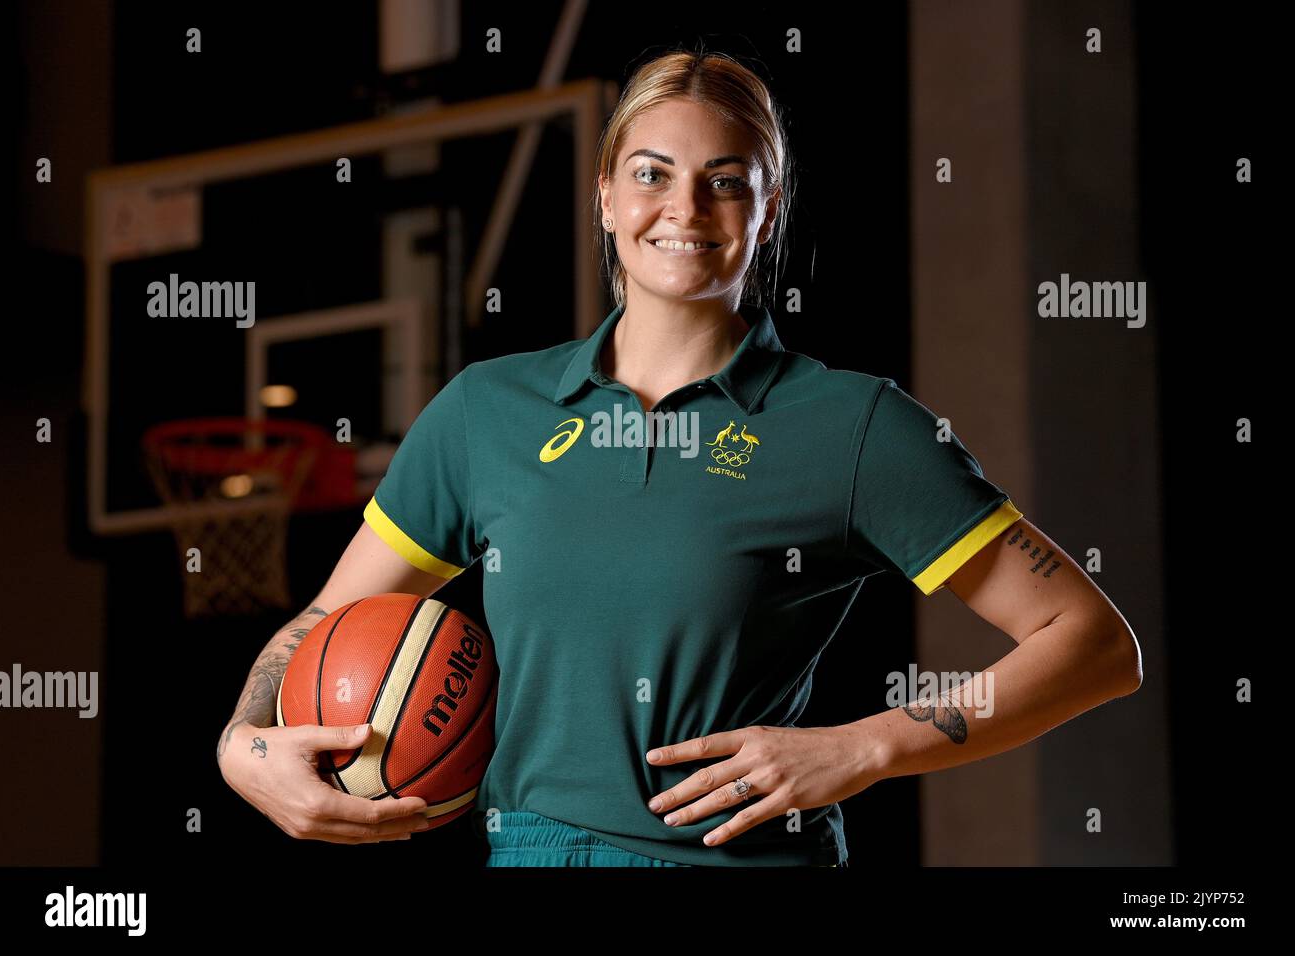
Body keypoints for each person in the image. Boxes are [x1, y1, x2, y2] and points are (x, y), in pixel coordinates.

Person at [217, 49, 1142, 867]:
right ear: (608, 196)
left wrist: (864, 747)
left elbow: (1094, 644)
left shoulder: (852, 425)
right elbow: (327, 619)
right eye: (652, 173)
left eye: (727, 180)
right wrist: (240, 748)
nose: (685, 208)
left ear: (768, 209)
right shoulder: (485, 414)